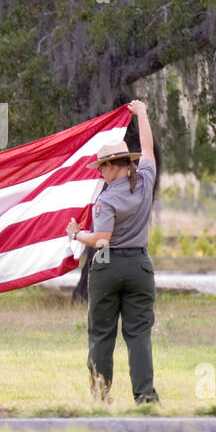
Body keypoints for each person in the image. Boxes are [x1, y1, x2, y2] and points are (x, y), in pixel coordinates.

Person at [66, 100, 159, 405]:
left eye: (101, 167)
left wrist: (77, 235)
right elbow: (148, 149)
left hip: (108, 265)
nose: (100, 174)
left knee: (102, 335)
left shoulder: (106, 201)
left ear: (110, 165)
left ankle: (101, 396)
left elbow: (102, 240)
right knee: (139, 335)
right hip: (140, 265)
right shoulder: (144, 181)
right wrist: (142, 114)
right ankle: (145, 396)